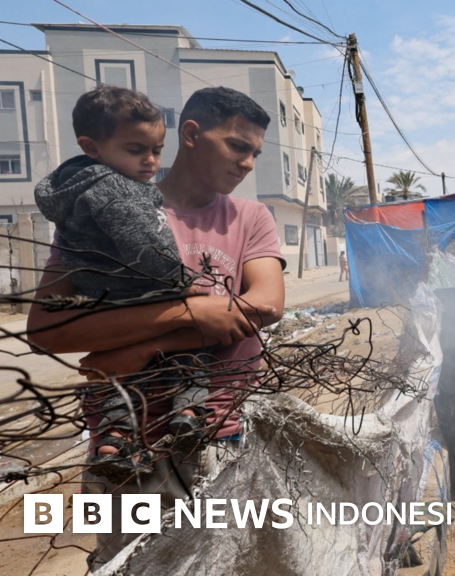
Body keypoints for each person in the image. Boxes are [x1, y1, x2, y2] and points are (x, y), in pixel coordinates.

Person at [27, 86, 285, 570]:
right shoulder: (99, 211)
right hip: (124, 447)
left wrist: (145, 347)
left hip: (219, 435)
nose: (247, 163)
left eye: (254, 152)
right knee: (128, 564)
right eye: (237, 146)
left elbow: (266, 305)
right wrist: (196, 316)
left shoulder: (251, 217)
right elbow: (46, 328)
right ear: (191, 134)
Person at [33, 85, 212, 482]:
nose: (150, 161)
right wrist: (182, 283)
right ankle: (189, 414)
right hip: (146, 291)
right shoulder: (113, 188)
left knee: (119, 380)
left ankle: (114, 441)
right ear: (91, 146)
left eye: (157, 150)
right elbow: (145, 247)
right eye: (136, 151)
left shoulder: (74, 187)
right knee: (192, 350)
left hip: (103, 301)